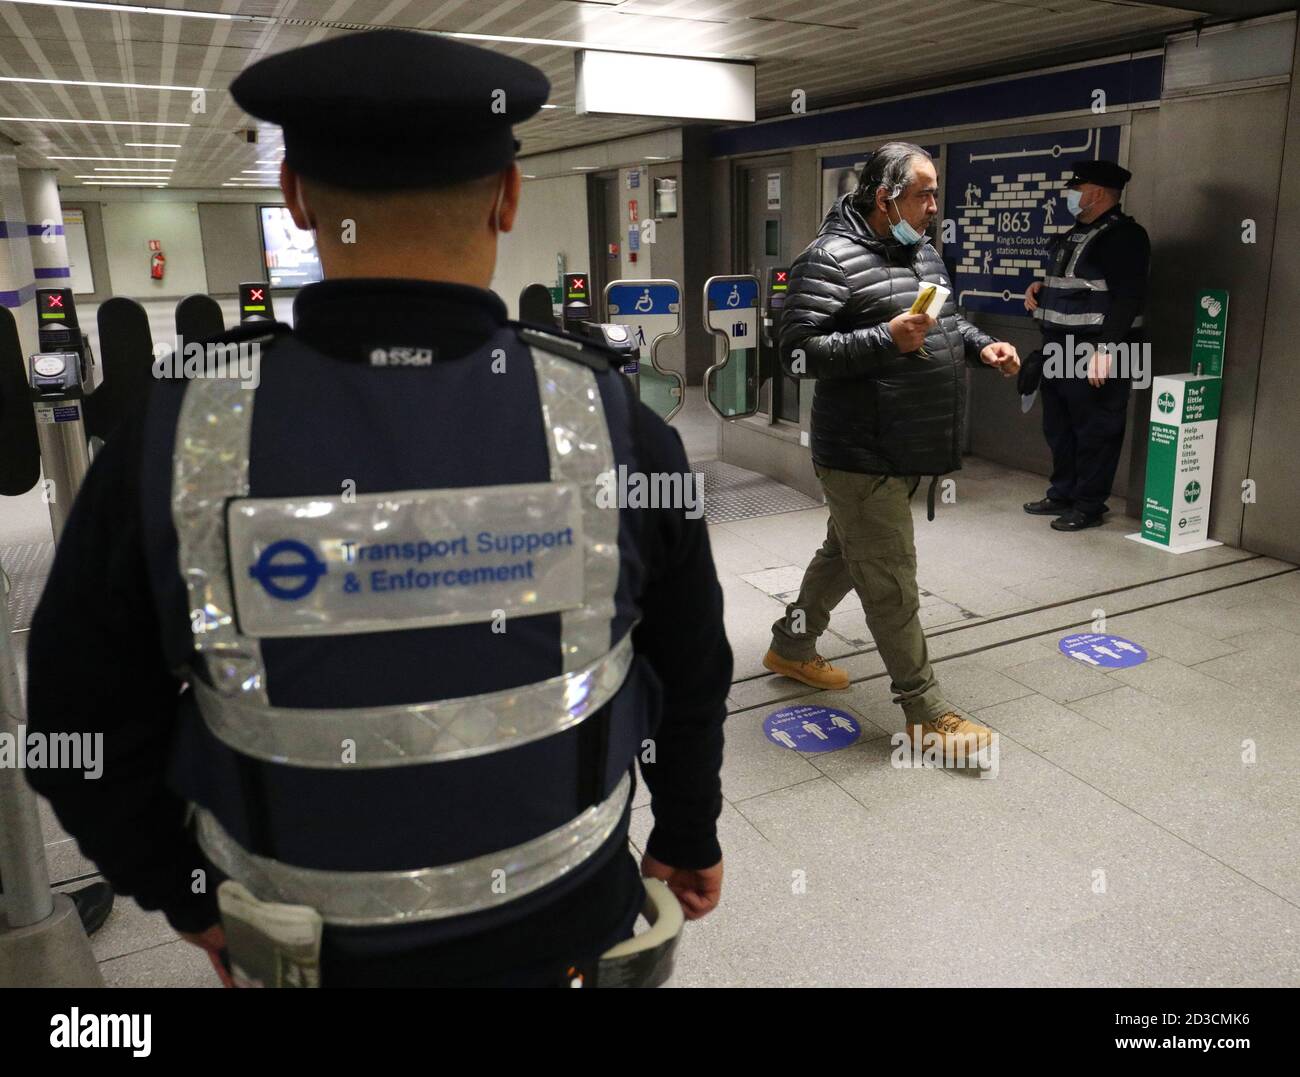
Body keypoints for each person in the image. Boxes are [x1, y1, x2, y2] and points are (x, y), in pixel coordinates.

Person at [24, 28, 731, 988]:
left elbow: (78, 737)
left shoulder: (175, 445)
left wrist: (191, 895)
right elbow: (689, 666)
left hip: (308, 953)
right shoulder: (616, 427)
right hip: (565, 933)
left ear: (298, 198)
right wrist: (686, 828)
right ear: (509, 196)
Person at [763, 142, 1019, 761]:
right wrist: (885, 339)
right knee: (892, 580)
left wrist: (981, 346)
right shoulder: (827, 259)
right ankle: (924, 711)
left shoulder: (922, 251)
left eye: (934, 194)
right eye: (923, 194)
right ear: (885, 198)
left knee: (846, 554)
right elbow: (795, 352)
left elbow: (945, 321)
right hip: (861, 450)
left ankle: (791, 647)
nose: (934, 206)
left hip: (907, 443)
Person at [1021, 159, 1150, 531]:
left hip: (1102, 351)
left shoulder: (1126, 237)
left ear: (1095, 193)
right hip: (1061, 349)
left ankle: (1090, 505)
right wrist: (1041, 290)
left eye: (1076, 189)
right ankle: (1063, 493)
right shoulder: (1075, 234)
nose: (1071, 196)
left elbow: (1128, 299)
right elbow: (1081, 287)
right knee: (1059, 426)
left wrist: (1107, 351)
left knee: (1097, 430)